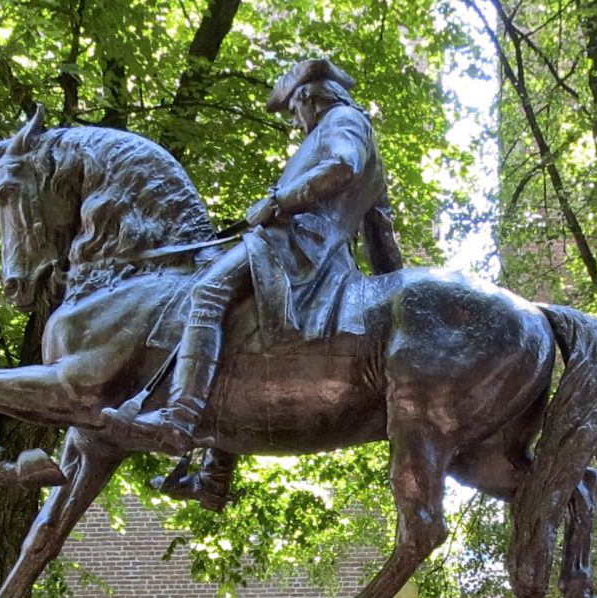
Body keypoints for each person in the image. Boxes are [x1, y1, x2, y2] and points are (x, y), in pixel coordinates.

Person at [103, 58, 402, 453]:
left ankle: (179, 418)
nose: (296, 121)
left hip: (295, 248)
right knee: (240, 325)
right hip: (320, 256)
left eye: (295, 109)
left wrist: (278, 201)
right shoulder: (365, 149)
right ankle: (214, 470)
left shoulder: (341, 120)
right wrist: (392, 288)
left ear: (309, 98)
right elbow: (380, 230)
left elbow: (341, 167)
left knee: (207, 292)